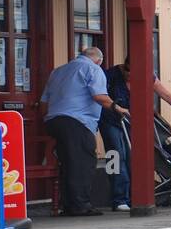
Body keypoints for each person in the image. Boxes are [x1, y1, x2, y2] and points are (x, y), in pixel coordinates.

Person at [102, 54, 171, 212]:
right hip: (111, 121)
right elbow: (101, 97)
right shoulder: (110, 75)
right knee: (115, 155)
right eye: (128, 73)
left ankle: (134, 196)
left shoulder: (148, 76)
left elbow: (166, 95)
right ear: (124, 68)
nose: (130, 77)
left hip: (132, 122)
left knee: (134, 157)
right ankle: (118, 198)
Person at [41, 47, 122, 217]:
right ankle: (81, 205)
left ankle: (68, 205)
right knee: (83, 163)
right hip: (77, 121)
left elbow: (44, 101)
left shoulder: (58, 71)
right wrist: (118, 108)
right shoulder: (93, 69)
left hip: (54, 121)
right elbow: (99, 96)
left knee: (67, 164)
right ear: (99, 60)